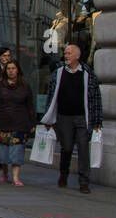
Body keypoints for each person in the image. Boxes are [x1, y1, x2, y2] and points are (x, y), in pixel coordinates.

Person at [42, 42, 103, 193]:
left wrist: (97, 121)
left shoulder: (88, 74)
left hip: (82, 117)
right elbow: (51, 96)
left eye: (69, 53)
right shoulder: (59, 73)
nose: (66, 56)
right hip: (64, 117)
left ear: (77, 56)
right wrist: (48, 119)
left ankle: (84, 182)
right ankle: (64, 174)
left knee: (83, 148)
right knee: (67, 147)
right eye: (66, 53)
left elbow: (96, 98)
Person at [0, 59, 36, 185]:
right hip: (1, 123)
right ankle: (5, 173)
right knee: (3, 152)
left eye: (13, 68)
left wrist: (32, 123)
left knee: (17, 150)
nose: (11, 71)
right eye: (9, 69)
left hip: (19, 123)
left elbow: (30, 105)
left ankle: (15, 177)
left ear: (18, 70)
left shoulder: (25, 85)